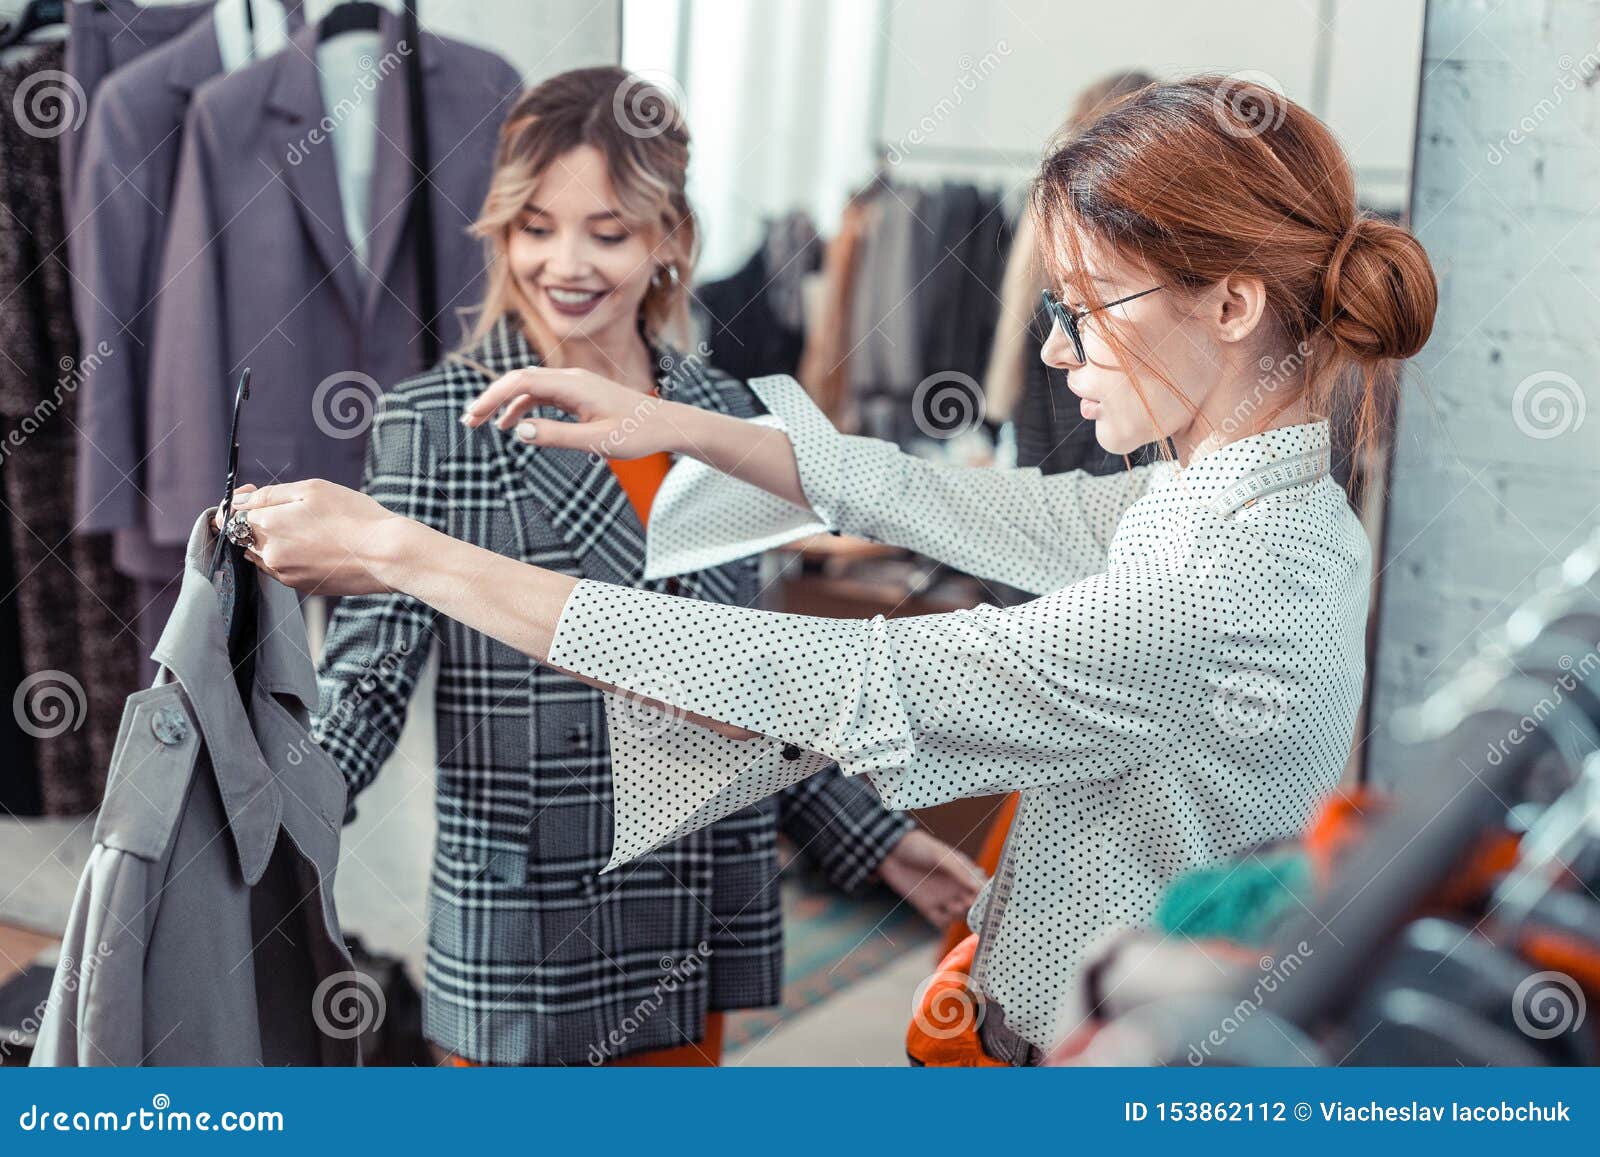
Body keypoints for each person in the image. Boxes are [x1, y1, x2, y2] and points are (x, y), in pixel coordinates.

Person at [215, 75, 1436, 1064]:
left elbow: (830, 675)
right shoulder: (1229, 505)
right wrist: (695, 430)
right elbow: (969, 498)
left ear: (1230, 304)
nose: (1056, 348)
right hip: (542, 925)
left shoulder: (1214, 584)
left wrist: (396, 548)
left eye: (1084, 304)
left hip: (1080, 1045)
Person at [312, 66, 979, 1068]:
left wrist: (876, 839)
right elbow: (365, 679)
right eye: (535, 226)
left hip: (694, 909)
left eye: (608, 231)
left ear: (670, 236)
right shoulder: (435, 422)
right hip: (528, 926)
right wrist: (262, 821)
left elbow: (753, 683)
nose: (565, 262)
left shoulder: (727, 420)